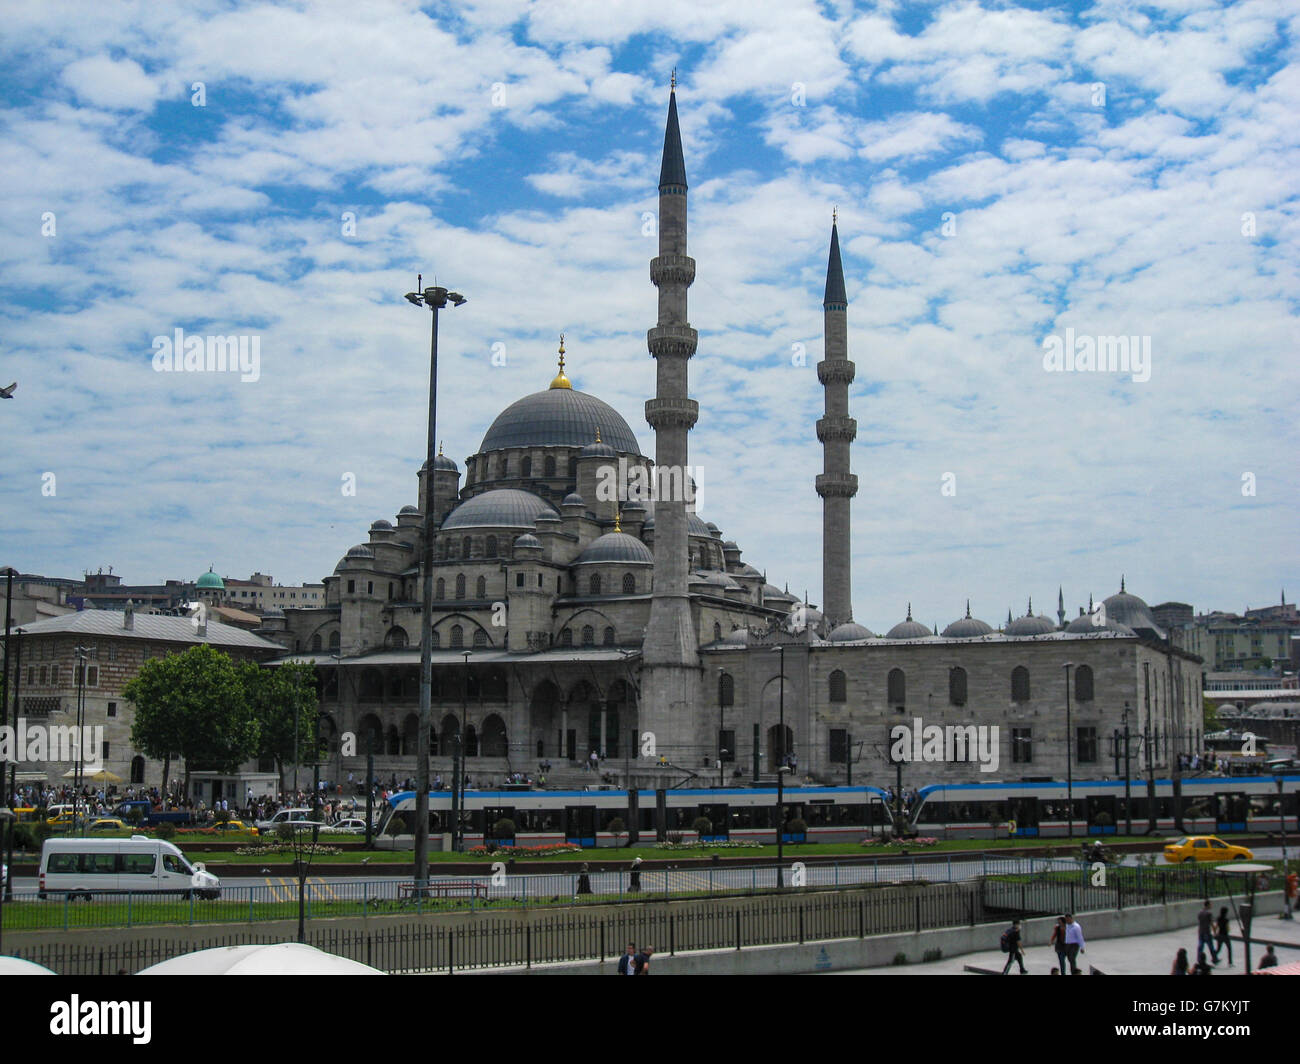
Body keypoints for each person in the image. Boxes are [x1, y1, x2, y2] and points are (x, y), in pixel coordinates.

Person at [1196, 899, 1219, 965]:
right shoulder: (1209, 913)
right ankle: (1215, 959)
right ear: (1208, 905)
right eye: (1210, 904)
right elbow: (1211, 924)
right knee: (1211, 946)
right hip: (1207, 932)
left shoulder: (1200, 913)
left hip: (1201, 932)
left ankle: (1199, 959)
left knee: (1200, 946)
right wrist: (1215, 932)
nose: (1211, 905)